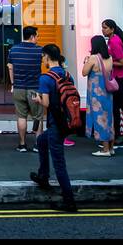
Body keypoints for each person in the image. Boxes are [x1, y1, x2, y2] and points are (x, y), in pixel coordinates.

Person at [29, 44, 78, 213]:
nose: (42, 60)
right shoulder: (67, 75)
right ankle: (43, 176)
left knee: (59, 163)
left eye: (43, 57)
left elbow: (47, 103)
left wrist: (37, 100)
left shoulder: (45, 78)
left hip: (55, 122)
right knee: (42, 141)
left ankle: (69, 200)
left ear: (48, 57)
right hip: (66, 121)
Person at [7, 26, 44, 152]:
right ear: (32, 36)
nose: (38, 39)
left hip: (18, 88)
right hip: (35, 89)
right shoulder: (40, 50)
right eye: (37, 36)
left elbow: (10, 68)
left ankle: (22, 144)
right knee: (38, 117)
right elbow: (48, 63)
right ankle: (38, 145)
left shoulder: (14, 50)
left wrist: (13, 84)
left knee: (21, 117)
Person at [82, 35, 115, 156]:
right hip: (107, 92)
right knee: (109, 119)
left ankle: (105, 149)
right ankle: (111, 147)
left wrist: (85, 61)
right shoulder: (110, 58)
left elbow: (84, 72)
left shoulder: (93, 58)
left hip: (96, 94)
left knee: (100, 119)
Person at [102, 18, 123, 146]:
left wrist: (108, 62)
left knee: (120, 108)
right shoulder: (110, 41)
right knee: (117, 108)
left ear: (112, 29)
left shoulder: (114, 41)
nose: (103, 30)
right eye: (102, 27)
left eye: (105, 27)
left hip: (121, 78)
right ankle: (120, 134)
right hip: (117, 78)